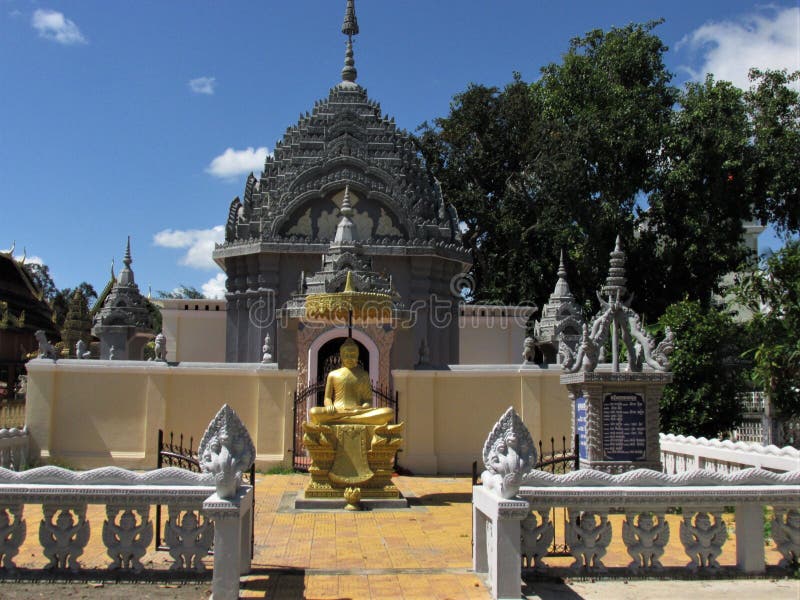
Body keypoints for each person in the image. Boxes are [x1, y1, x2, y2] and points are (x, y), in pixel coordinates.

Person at [309, 338, 393, 425]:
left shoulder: (363, 375)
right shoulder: (333, 374)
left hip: (357, 411)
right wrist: (329, 405)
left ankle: (344, 419)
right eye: (346, 355)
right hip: (338, 411)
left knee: (388, 412)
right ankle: (353, 419)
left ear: (357, 356)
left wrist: (363, 407)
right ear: (341, 356)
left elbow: (368, 400)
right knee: (314, 412)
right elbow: (327, 398)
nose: (349, 358)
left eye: (352, 354)